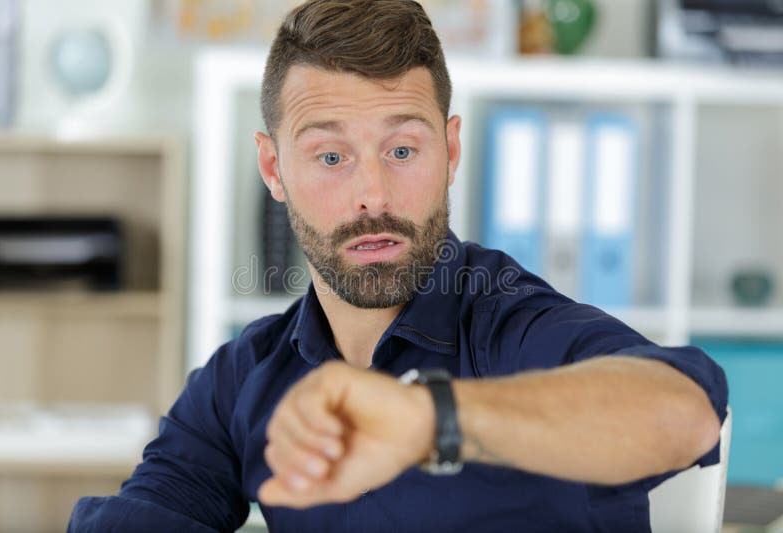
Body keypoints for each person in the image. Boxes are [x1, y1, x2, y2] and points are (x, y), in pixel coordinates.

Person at [68, 1, 728, 531]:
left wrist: (428, 420)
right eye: (331, 157)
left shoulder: (512, 325)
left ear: (450, 149)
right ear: (274, 168)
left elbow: (684, 413)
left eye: (403, 150)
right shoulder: (241, 381)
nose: (373, 195)